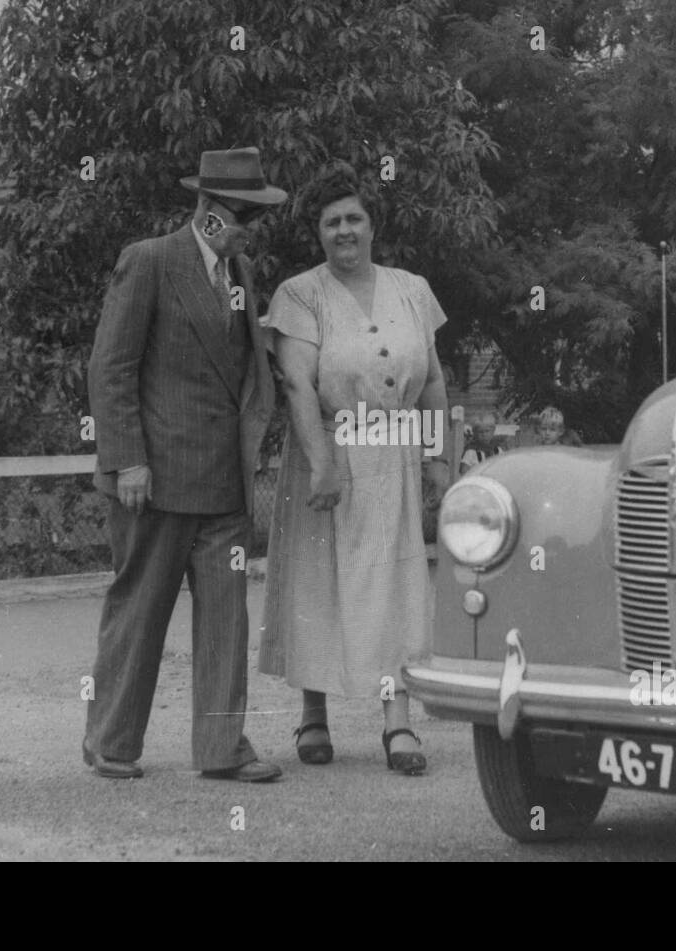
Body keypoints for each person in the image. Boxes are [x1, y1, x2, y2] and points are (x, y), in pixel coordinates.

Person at [83, 147, 286, 782]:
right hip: (156, 481)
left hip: (225, 483)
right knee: (140, 610)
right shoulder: (148, 261)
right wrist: (127, 461)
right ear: (207, 210)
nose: (250, 228)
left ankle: (222, 750)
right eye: (242, 214)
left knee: (228, 618)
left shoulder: (239, 273)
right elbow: (110, 367)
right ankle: (111, 743)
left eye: (254, 215)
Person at [258, 165, 450, 775]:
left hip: (394, 458)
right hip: (330, 453)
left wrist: (441, 456)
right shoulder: (299, 294)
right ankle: (313, 715)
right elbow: (295, 384)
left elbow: (436, 381)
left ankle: (398, 724)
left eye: (354, 218)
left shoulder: (412, 288)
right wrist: (323, 466)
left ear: (373, 226)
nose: (344, 230)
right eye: (331, 221)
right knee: (320, 583)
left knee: (392, 587)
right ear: (318, 233)